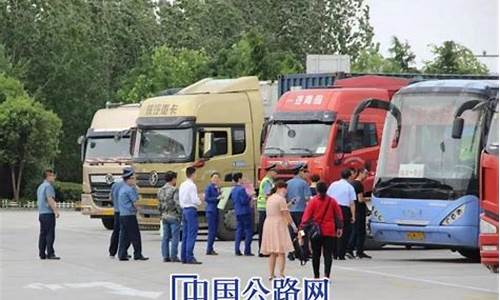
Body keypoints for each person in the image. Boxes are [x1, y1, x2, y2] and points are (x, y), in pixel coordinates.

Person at [300, 182, 343, 279]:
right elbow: (338, 215)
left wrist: (302, 229)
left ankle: (316, 276)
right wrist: (339, 228)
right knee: (328, 254)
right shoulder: (332, 201)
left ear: (317, 190)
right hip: (330, 231)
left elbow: (306, 217)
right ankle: (327, 275)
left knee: (316, 254)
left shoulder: (313, 201)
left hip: (316, 232)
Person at [261, 181, 296, 280]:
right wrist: (293, 226)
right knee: (281, 251)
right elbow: (286, 214)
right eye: (285, 188)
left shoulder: (270, 198)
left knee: (272, 251)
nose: (286, 191)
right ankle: (281, 273)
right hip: (278, 224)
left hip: (269, 223)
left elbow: (280, 209)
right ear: (280, 188)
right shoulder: (281, 199)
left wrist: (288, 204)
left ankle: (271, 274)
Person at [118, 168, 149, 261]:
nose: (134, 180)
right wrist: (141, 212)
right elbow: (135, 202)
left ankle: (122, 253)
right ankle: (137, 254)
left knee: (124, 236)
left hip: (122, 215)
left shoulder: (122, 188)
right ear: (129, 179)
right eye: (133, 178)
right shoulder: (129, 190)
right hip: (130, 215)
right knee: (135, 235)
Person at [327, 169, 356, 260]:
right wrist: (353, 216)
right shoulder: (349, 187)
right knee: (345, 232)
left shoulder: (333, 184)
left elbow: (328, 197)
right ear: (349, 176)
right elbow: (352, 203)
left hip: (332, 208)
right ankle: (341, 253)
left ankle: (334, 252)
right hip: (344, 210)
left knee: (333, 231)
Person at [286, 163, 312, 260]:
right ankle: (303, 251)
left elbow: (285, 197)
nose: (306, 174)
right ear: (300, 172)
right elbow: (307, 198)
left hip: (291, 212)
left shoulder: (288, 183)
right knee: (302, 232)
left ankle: (291, 251)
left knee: (292, 231)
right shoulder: (304, 183)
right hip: (301, 212)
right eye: (304, 172)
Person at [179, 166, 202, 264]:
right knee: (192, 234)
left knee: (185, 234)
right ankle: (190, 256)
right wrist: (200, 200)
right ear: (193, 174)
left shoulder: (182, 184)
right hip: (191, 210)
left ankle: (183, 256)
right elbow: (194, 200)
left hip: (184, 209)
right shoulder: (192, 185)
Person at [348, 168, 372, 259]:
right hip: (359, 210)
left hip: (354, 209)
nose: (366, 176)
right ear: (360, 173)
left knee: (355, 231)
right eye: (366, 174)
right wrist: (369, 199)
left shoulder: (352, 183)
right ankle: (359, 251)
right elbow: (360, 199)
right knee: (361, 232)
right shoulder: (359, 184)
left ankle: (350, 250)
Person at [37, 169, 61, 260]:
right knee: (50, 234)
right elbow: (50, 199)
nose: (54, 177)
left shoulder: (40, 186)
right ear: (48, 176)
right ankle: (50, 253)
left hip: (41, 213)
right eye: (52, 175)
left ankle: (42, 253)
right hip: (48, 213)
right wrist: (55, 211)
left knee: (42, 234)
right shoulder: (48, 187)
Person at [158, 171, 181, 263]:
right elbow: (177, 203)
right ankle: (174, 256)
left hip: (164, 215)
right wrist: (180, 214)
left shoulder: (160, 190)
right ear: (173, 179)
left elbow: (159, 204)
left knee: (165, 237)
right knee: (175, 237)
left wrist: (161, 213)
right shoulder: (174, 189)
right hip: (173, 215)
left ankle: (165, 256)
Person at [231, 173, 254, 256]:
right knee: (248, 230)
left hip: (238, 211)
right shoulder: (242, 189)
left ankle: (237, 249)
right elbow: (244, 201)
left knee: (239, 230)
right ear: (239, 179)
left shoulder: (233, 190)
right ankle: (247, 250)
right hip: (245, 211)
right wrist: (250, 196)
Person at [257, 165, 277, 257]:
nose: (276, 174)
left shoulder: (270, 181)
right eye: (275, 172)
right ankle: (262, 251)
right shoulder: (266, 182)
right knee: (264, 230)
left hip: (266, 208)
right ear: (270, 172)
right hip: (264, 208)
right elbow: (267, 194)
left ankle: (265, 250)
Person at [108, 168, 129, 258]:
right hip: (126, 213)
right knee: (126, 233)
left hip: (116, 211)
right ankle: (123, 251)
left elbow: (110, 198)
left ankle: (112, 251)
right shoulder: (129, 187)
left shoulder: (115, 185)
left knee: (116, 232)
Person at [204, 172, 221, 255]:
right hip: (211, 210)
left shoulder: (217, 188)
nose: (216, 180)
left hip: (216, 210)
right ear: (211, 179)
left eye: (217, 178)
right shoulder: (209, 187)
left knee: (214, 231)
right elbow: (207, 198)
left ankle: (211, 248)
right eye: (214, 178)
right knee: (212, 230)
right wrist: (217, 198)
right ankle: (209, 248)